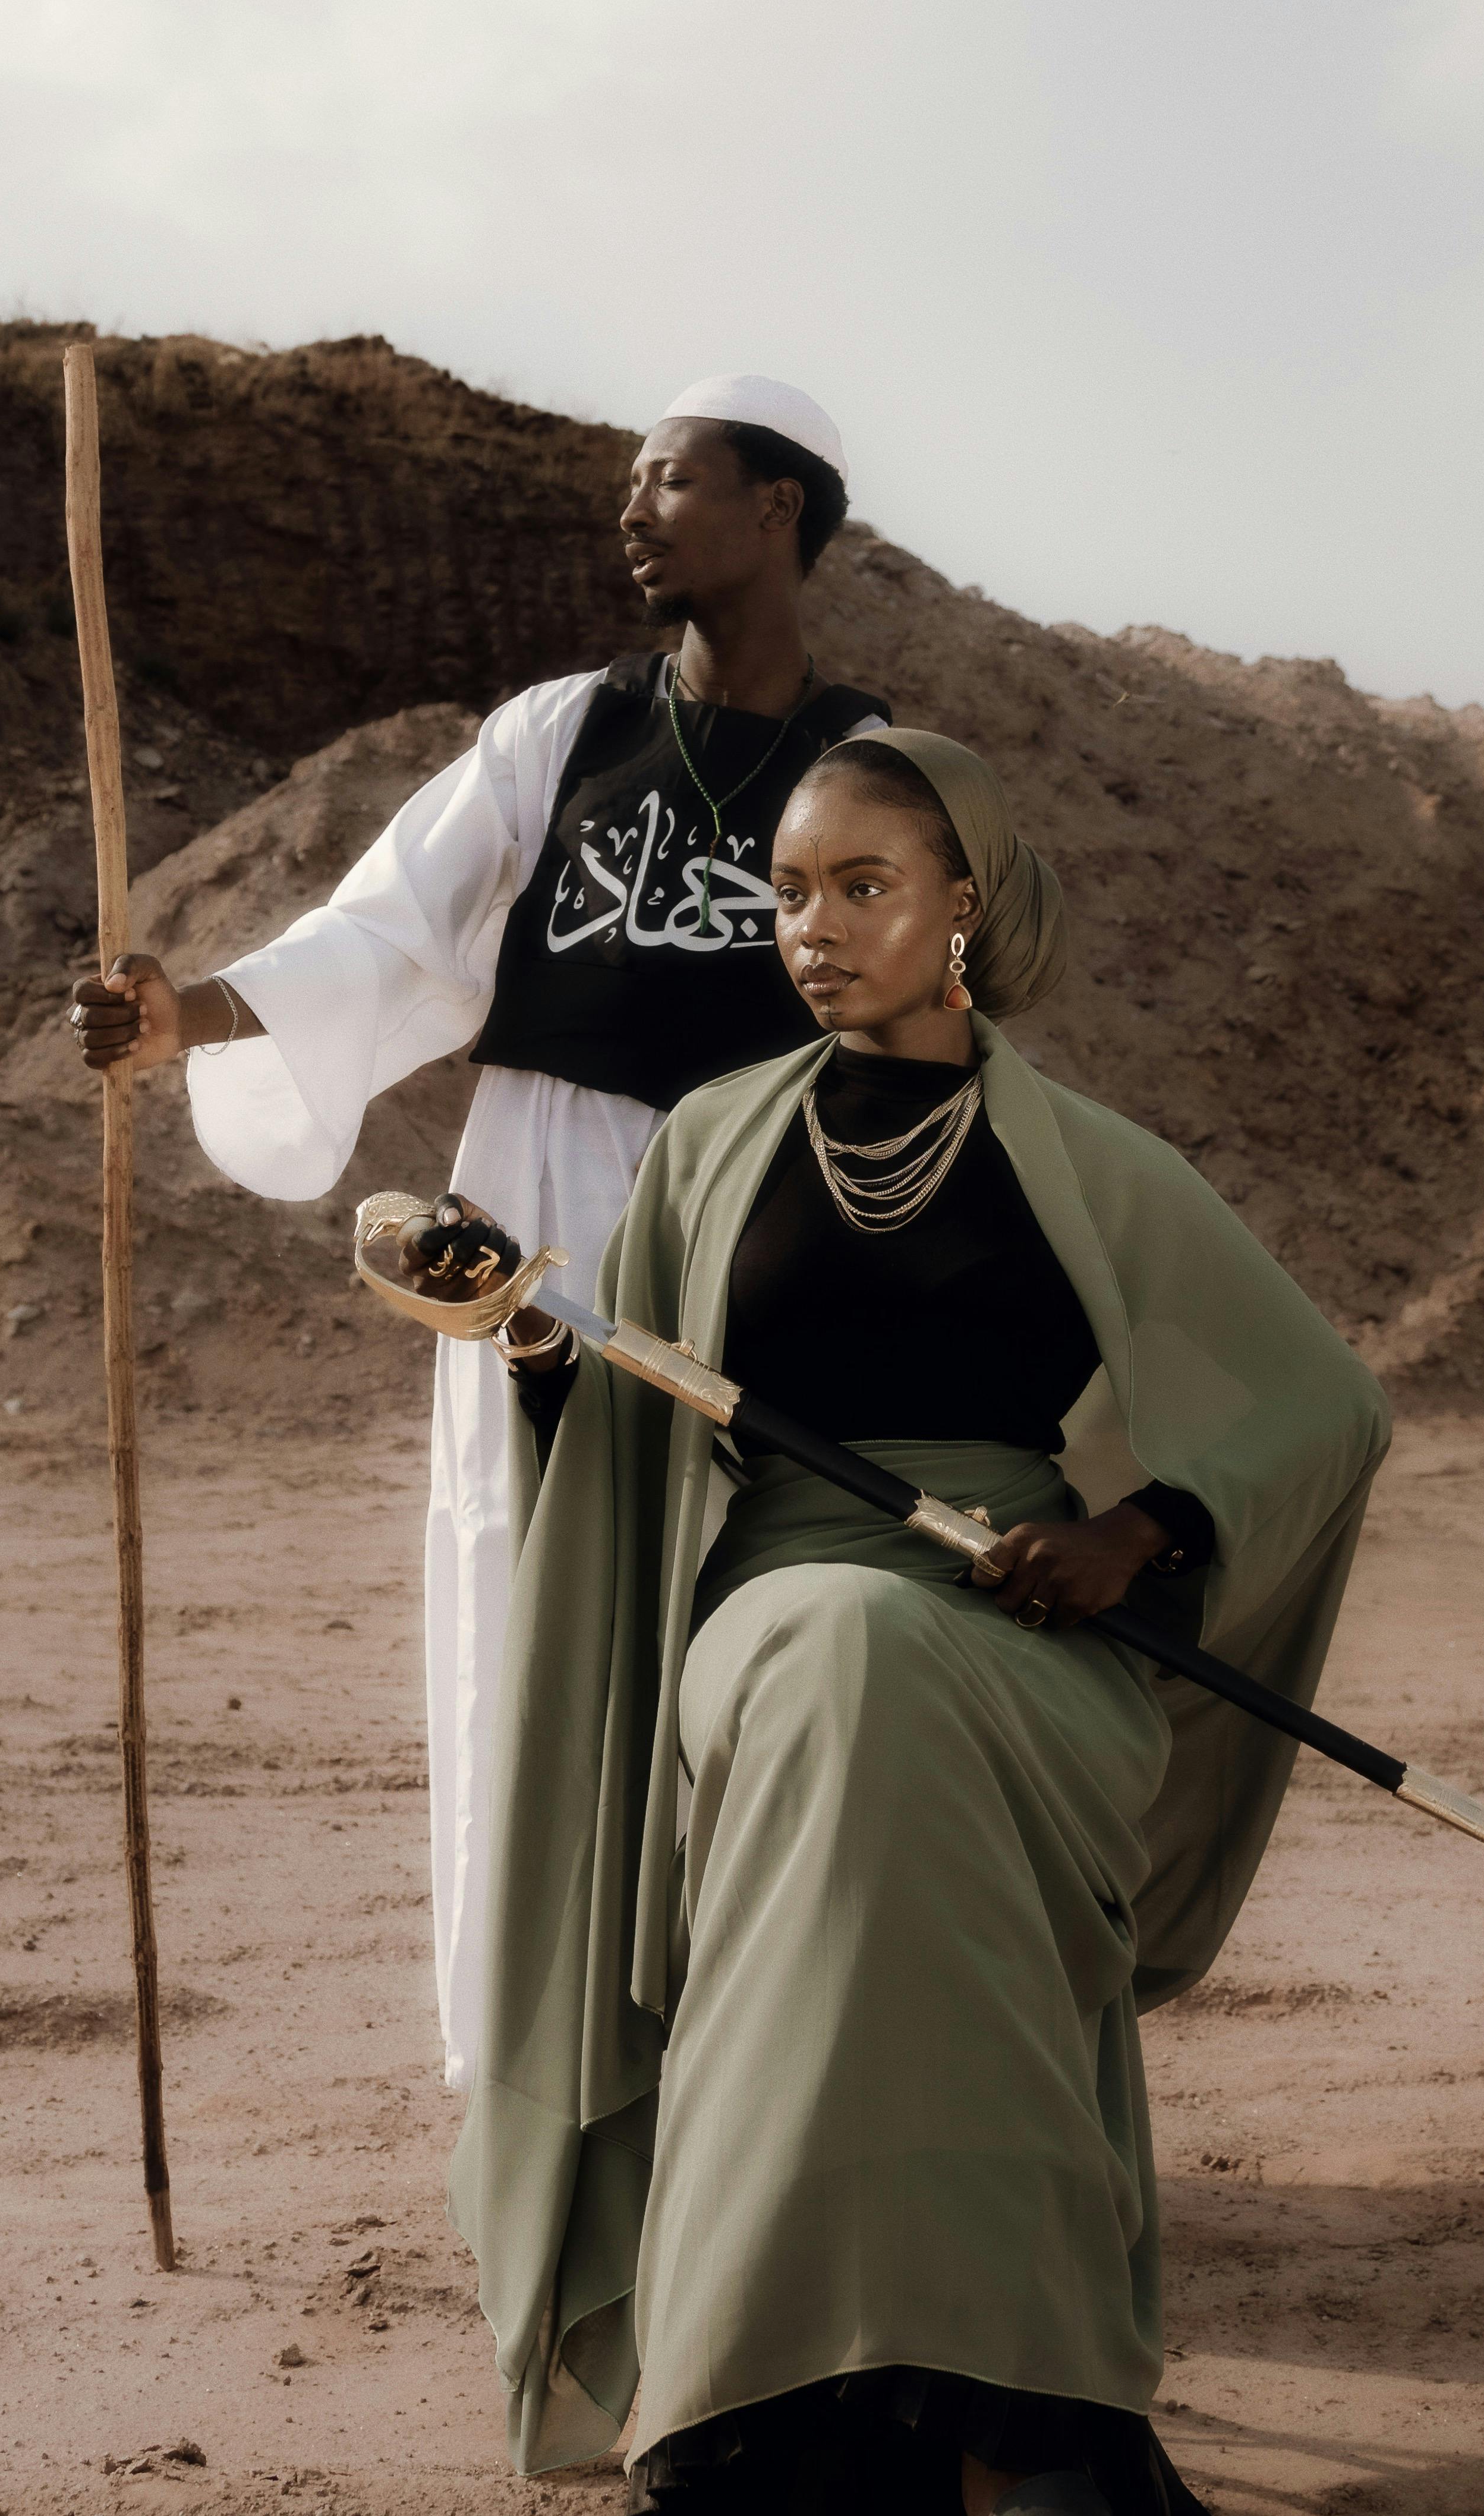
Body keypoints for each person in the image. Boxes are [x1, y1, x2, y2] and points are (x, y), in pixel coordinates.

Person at [407, 730, 1390, 2516]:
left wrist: (1137, 1529)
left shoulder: (1097, 1162)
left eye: (863, 883)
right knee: (846, 1665)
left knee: (890, 1709)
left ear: (964, 902)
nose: (814, 926)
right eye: (788, 892)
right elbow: (630, 1425)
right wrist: (524, 1338)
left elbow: (1312, 1405)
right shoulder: (711, 1142)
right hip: (771, 1608)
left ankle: (881, 2497)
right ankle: (986, 2461)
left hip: (1025, 1641)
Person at [65, 378, 886, 2087]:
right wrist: (189, 1016)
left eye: (670, 478)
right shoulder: (558, 733)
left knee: (748, 1640)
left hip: (769, 1238)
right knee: (523, 1612)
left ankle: (746, 2081)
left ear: (780, 511)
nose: (631, 507)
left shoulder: (872, 769)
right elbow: (391, 939)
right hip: (540, 1244)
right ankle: (534, 2070)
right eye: (629, 481)